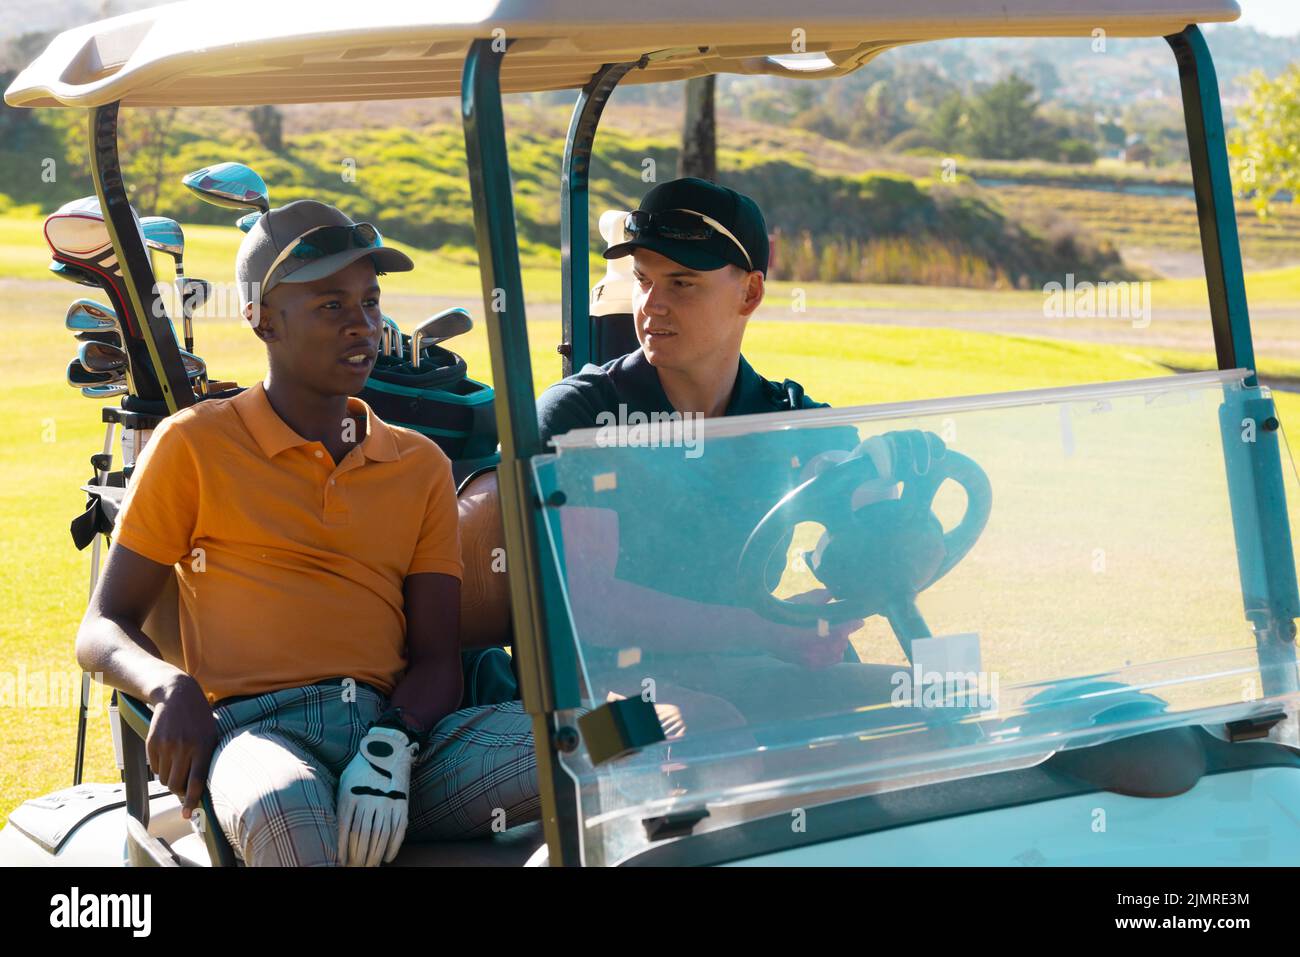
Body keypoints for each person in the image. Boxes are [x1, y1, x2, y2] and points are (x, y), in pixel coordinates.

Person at [76, 200, 539, 867]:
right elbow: (102, 625)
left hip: (398, 748)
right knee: (290, 816)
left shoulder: (419, 464)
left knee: (596, 742)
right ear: (262, 316)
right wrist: (166, 684)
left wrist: (389, 747)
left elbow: (438, 659)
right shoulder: (194, 445)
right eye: (331, 305)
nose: (363, 326)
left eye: (371, 302)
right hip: (256, 740)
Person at [532, 178, 923, 730]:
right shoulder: (580, 416)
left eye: (682, 283)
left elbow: (878, 555)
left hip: (748, 670)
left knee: (928, 699)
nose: (652, 306)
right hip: (584, 716)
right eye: (644, 281)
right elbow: (593, 611)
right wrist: (766, 630)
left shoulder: (794, 418)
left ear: (751, 294)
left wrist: (897, 508)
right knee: (707, 727)